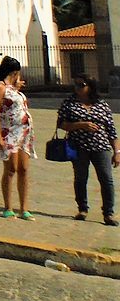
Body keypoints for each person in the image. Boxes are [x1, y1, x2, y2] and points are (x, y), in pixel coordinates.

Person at [56, 75, 119, 226]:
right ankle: (82, 209)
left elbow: (111, 130)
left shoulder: (102, 104)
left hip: (101, 147)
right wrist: (80, 125)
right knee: (80, 178)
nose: (77, 88)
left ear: (90, 86)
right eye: (75, 84)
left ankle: (108, 213)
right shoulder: (69, 103)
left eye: (81, 85)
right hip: (78, 147)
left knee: (106, 179)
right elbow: (61, 124)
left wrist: (117, 152)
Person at [0, 56, 35, 219]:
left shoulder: (13, 88)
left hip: (24, 133)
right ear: (15, 72)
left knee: (23, 169)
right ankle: (8, 207)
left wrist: (16, 87)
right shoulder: (0, 87)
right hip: (9, 132)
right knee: (11, 169)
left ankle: (24, 208)